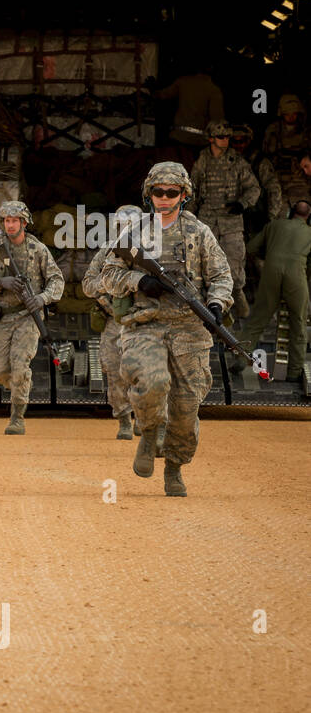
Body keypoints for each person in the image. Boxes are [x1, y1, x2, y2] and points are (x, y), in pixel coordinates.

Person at [99, 162, 232, 497]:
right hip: (147, 324)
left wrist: (216, 305)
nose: (164, 197)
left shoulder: (199, 233)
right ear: (149, 194)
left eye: (171, 192)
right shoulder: (134, 235)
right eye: (158, 191)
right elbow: (108, 276)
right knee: (152, 381)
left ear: (183, 195)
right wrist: (138, 279)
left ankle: (174, 467)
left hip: (190, 329)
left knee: (186, 408)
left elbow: (221, 277)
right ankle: (147, 433)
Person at [0, 200, 63, 434]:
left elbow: (57, 281)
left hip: (27, 317)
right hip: (2, 317)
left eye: (14, 221)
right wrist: (1, 282)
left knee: (20, 365)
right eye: (6, 221)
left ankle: (17, 417)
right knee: (1, 370)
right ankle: (19, 386)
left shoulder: (38, 250)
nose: (10, 225)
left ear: (24, 223)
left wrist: (41, 299)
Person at [82, 205, 142, 440]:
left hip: (143, 321)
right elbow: (88, 285)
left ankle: (143, 416)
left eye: (131, 225)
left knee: (144, 372)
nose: (126, 229)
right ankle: (124, 420)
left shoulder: (152, 250)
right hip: (115, 322)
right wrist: (108, 284)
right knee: (115, 373)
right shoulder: (107, 251)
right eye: (121, 225)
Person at [189, 120, 260, 318]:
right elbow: (192, 191)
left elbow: (254, 188)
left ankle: (238, 298)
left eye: (228, 136)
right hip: (207, 220)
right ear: (211, 138)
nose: (226, 140)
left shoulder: (236, 161)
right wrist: (187, 217)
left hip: (231, 221)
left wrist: (243, 204)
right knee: (203, 265)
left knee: (235, 265)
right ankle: (211, 307)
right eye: (221, 137)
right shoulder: (202, 160)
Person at [236, 200, 311, 385]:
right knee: (299, 323)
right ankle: (293, 372)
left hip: (271, 270)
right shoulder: (309, 232)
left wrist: (271, 256)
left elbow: (251, 247)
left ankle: (239, 359)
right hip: (296, 275)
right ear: (308, 217)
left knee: (257, 320)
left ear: (291, 212)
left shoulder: (274, 225)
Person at [262, 95, 310, 203]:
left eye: (294, 113)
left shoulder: (305, 131)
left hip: (298, 176)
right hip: (277, 174)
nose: (291, 116)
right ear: (282, 113)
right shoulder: (273, 129)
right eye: (287, 113)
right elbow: (266, 153)